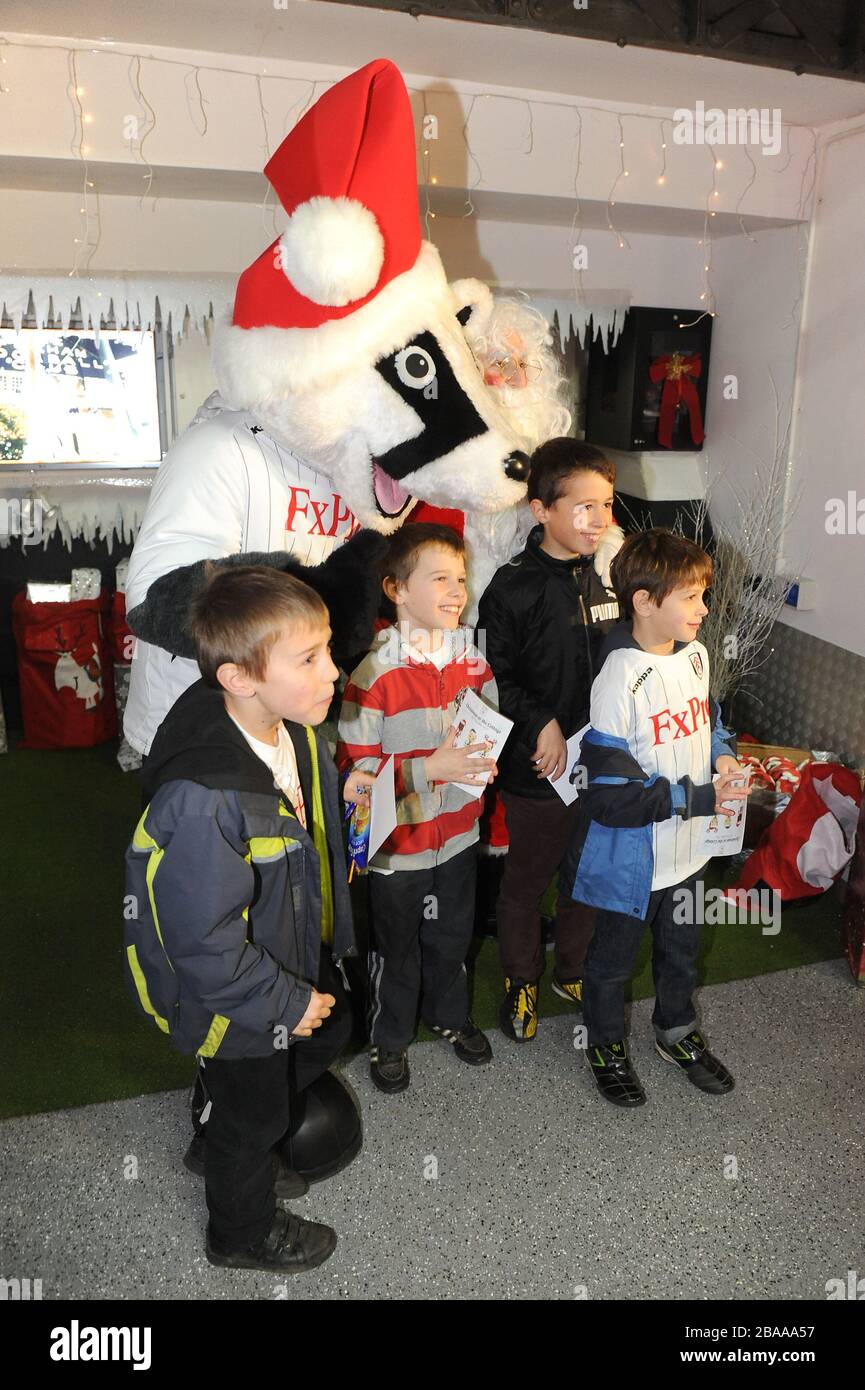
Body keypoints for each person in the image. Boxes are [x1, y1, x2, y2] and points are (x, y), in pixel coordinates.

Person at [123, 565, 357, 1273]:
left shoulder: (291, 732)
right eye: (310, 658)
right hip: (238, 993)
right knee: (255, 1115)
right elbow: (203, 943)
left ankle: (215, 1134)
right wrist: (285, 999)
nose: (335, 671)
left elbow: (295, 833)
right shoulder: (205, 801)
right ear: (238, 678)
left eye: (327, 650)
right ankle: (240, 1231)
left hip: (281, 950)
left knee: (331, 1029)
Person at [562, 528, 749, 1108]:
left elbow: (709, 722)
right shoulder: (618, 677)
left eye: (703, 594)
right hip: (634, 864)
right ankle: (605, 1044)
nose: (703, 608)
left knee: (682, 951)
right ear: (645, 602)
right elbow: (607, 795)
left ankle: (675, 1031)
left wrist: (723, 756)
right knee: (613, 962)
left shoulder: (695, 656)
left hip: (688, 854)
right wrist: (693, 799)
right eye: (690, 597)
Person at [337, 523, 498, 1094]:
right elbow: (353, 782)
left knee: (452, 938)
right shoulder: (371, 677)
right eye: (440, 579)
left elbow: (484, 736)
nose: (457, 591)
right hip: (396, 849)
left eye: (461, 578)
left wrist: (482, 764)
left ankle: (450, 1018)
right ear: (396, 590)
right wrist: (428, 770)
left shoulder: (474, 664)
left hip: (457, 837)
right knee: (395, 950)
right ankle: (390, 1037)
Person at [476, 439, 622, 1042]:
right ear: (540, 509)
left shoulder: (614, 576)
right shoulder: (509, 589)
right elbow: (489, 675)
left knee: (588, 875)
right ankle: (521, 978)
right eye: (583, 507)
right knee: (527, 881)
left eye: (607, 505)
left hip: (603, 764)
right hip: (537, 767)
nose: (599, 520)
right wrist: (540, 720)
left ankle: (571, 968)